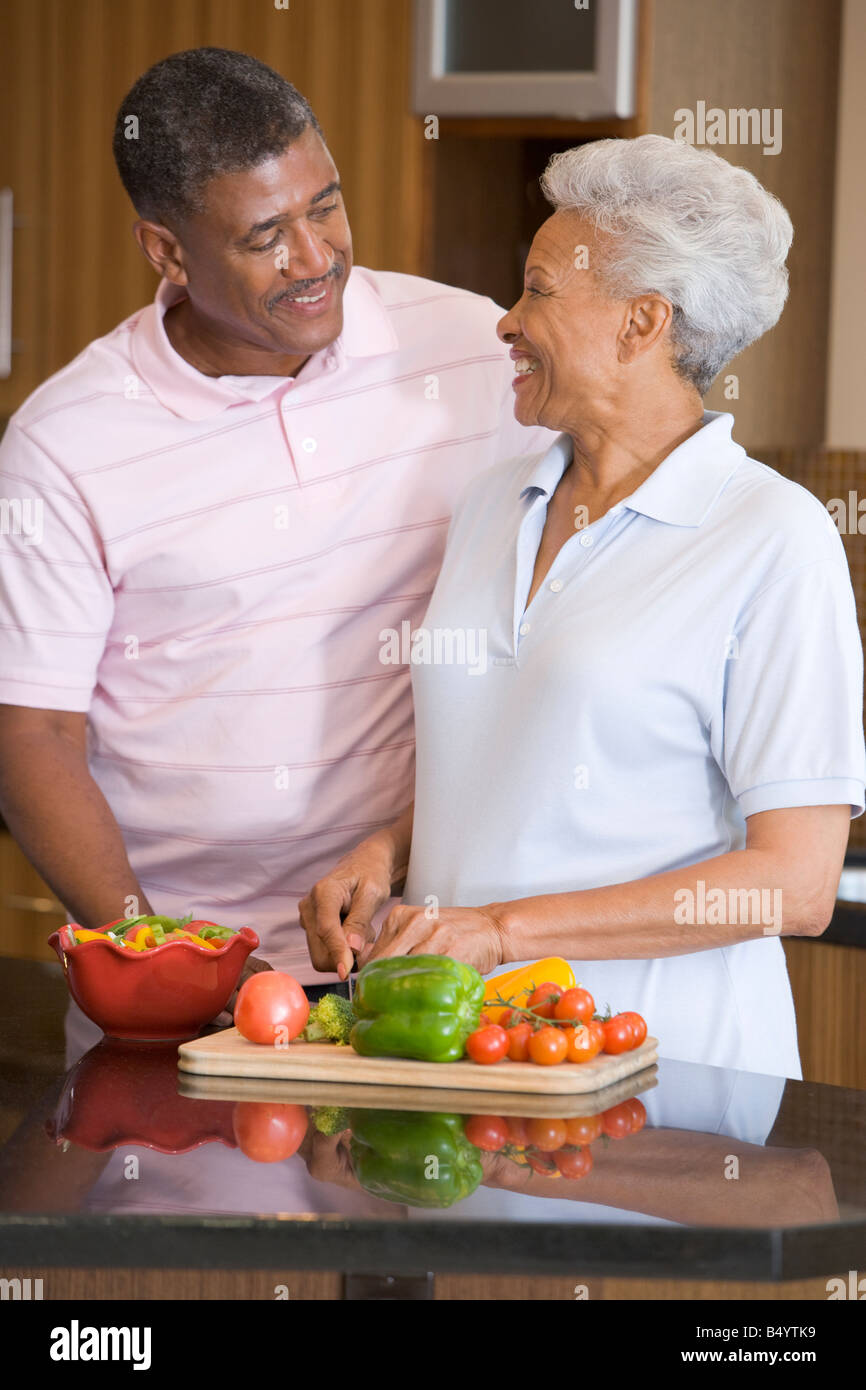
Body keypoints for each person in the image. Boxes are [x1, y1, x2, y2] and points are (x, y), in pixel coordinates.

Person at [300, 135, 866, 1077]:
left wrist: (504, 931)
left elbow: (796, 884)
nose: (506, 322)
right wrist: (386, 849)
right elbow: (512, 754)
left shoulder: (772, 534)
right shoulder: (492, 503)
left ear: (641, 324)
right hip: (460, 1057)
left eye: (538, 291)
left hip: (663, 1079)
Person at [0, 48, 553, 990]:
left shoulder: (472, 349)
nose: (316, 259)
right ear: (166, 251)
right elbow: (33, 735)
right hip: (197, 959)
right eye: (266, 238)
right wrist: (156, 956)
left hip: (433, 952)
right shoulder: (65, 441)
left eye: (325, 205)